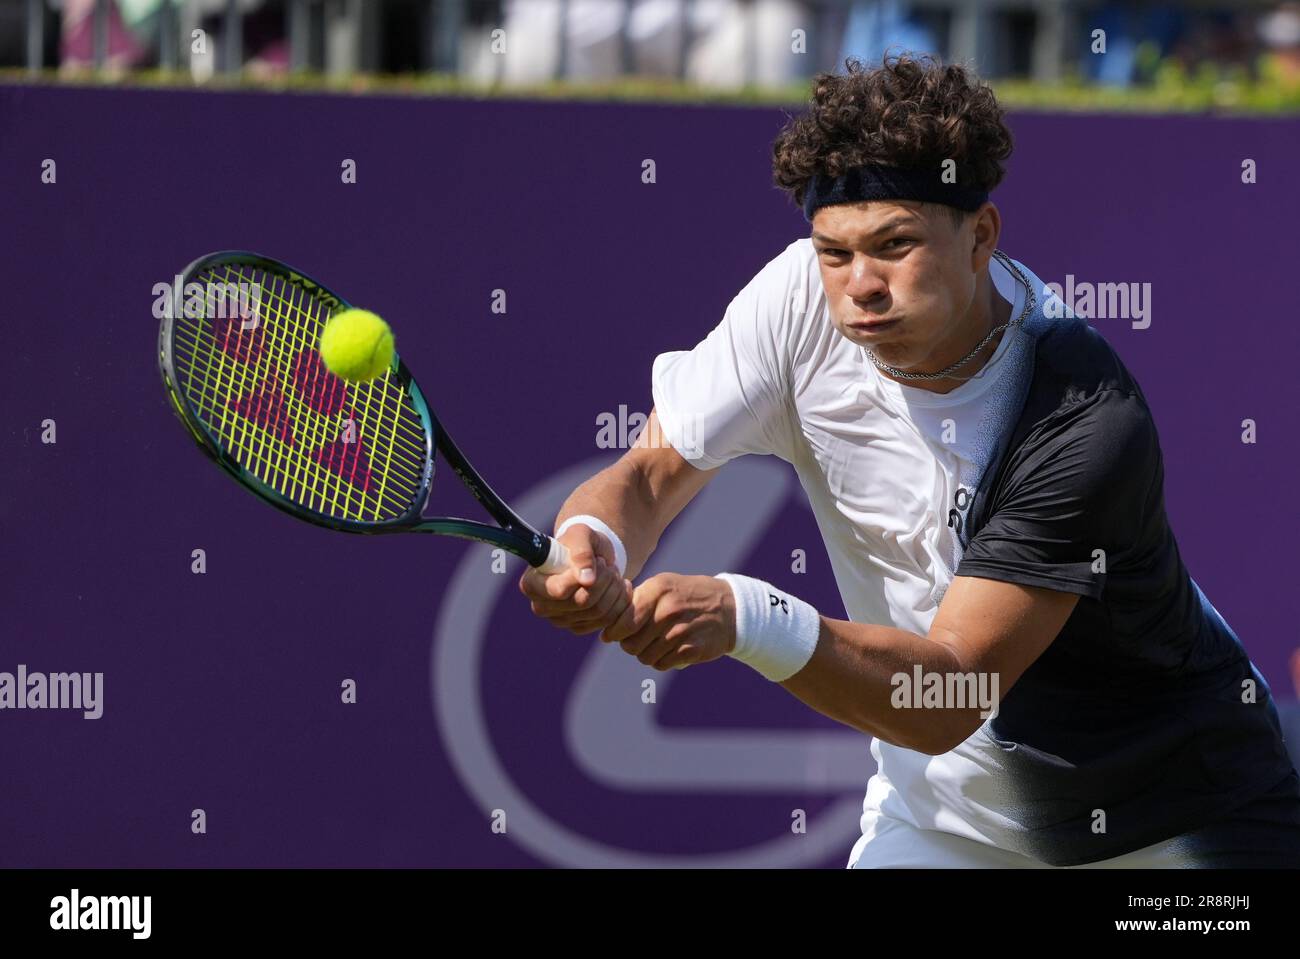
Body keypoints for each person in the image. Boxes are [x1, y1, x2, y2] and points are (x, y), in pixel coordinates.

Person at [519, 52, 1300, 868]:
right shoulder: (794, 302)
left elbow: (950, 692)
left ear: (980, 237)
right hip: (940, 825)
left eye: (895, 244)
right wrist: (593, 538)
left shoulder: (1077, 417)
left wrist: (746, 616)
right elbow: (646, 473)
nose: (860, 285)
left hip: (1181, 826)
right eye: (834, 251)